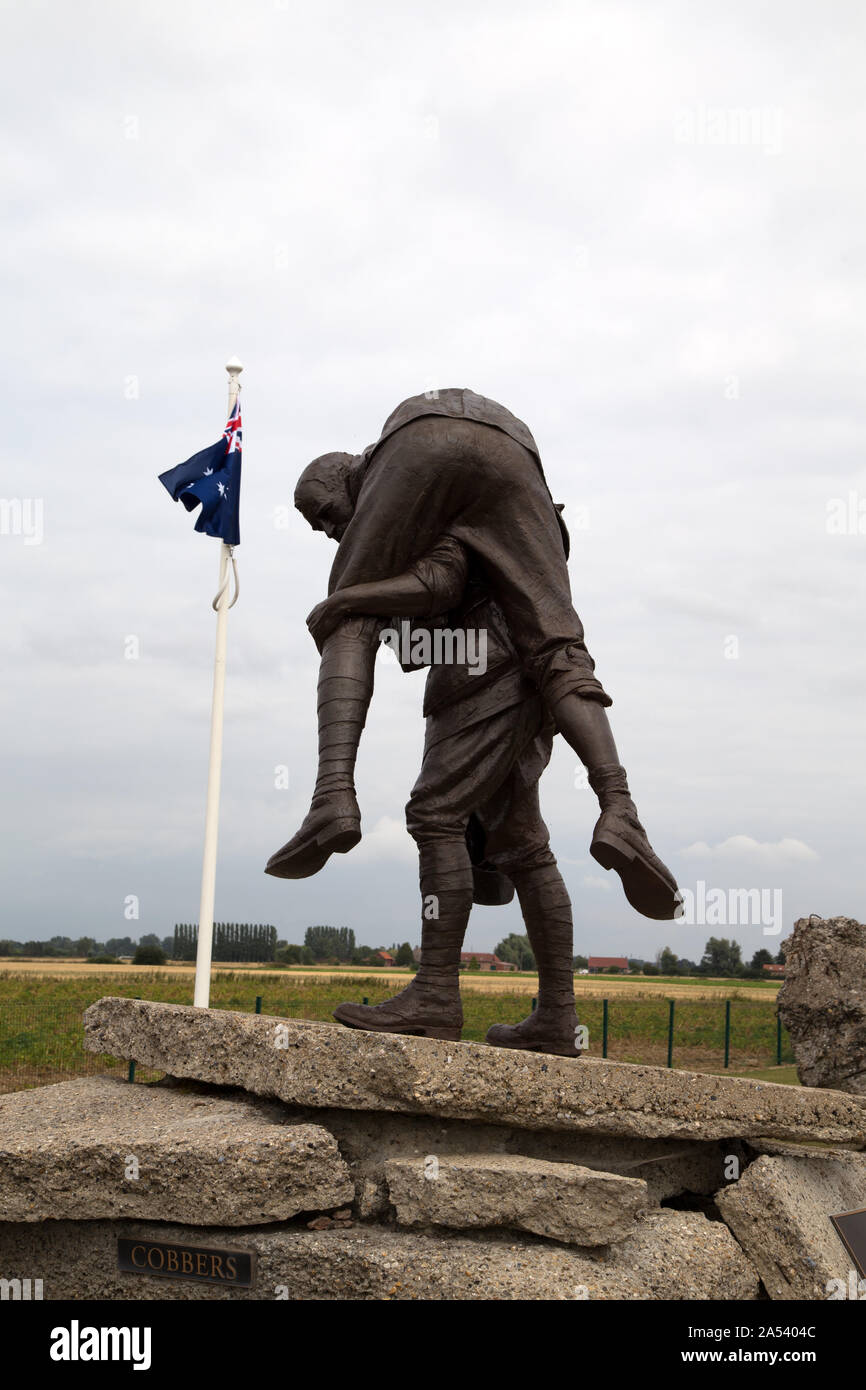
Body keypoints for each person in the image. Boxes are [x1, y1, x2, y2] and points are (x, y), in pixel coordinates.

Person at [266, 388, 681, 923]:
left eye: (323, 515)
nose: (329, 531)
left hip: (421, 433)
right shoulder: (460, 518)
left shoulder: (387, 474)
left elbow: (434, 584)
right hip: (515, 450)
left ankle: (332, 795)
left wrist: (346, 598)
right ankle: (619, 807)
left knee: (343, 619)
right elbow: (446, 578)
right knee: (561, 650)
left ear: (347, 477)